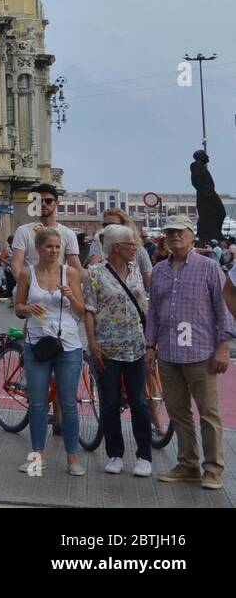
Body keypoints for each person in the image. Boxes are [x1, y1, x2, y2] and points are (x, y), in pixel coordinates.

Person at [145, 215, 233, 490]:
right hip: (168, 353)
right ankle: (188, 464)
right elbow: (154, 312)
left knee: (208, 413)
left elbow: (224, 308)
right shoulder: (159, 270)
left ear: (192, 235)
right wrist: (150, 346)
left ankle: (213, 469)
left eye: (180, 232)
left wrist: (223, 346)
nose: (174, 237)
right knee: (178, 412)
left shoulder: (209, 268)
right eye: (170, 232)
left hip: (201, 352)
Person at [14, 226, 86, 476]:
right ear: (39, 249)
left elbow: (81, 311)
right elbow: (18, 307)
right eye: (49, 247)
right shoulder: (27, 273)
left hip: (67, 344)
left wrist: (72, 298)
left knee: (68, 403)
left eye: (58, 247)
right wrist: (27, 308)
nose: (54, 251)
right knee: (37, 403)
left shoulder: (71, 273)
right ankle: (37, 456)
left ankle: (72, 458)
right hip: (37, 343)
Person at [83, 223, 153, 477]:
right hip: (107, 348)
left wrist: (150, 341)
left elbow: (144, 304)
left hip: (136, 345)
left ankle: (144, 455)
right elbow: (89, 311)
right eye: (130, 244)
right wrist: (92, 343)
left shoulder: (136, 271)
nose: (135, 248)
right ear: (116, 247)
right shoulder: (94, 274)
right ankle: (115, 454)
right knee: (110, 402)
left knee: (139, 402)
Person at [10, 183, 83, 290]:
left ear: (57, 203)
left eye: (48, 201)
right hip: (28, 290)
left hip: (58, 291)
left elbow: (76, 268)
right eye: (39, 201)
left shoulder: (68, 234)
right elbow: (16, 265)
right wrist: (26, 289)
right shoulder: (23, 231)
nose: (43, 204)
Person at [86, 208, 153, 288]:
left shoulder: (138, 249)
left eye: (113, 225)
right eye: (105, 225)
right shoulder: (97, 244)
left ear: (124, 226)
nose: (107, 228)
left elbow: (148, 280)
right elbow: (95, 273)